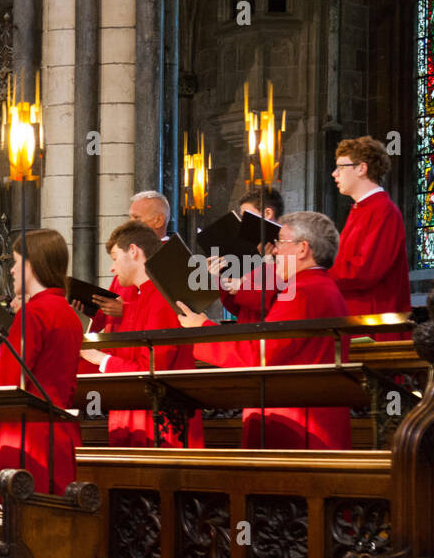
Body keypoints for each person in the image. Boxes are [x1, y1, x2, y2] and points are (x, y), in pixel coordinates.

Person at [177, 211, 351, 450]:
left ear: (302, 249)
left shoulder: (302, 292)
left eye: (281, 242)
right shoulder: (317, 286)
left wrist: (203, 329)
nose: (275, 250)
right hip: (307, 413)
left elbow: (259, 354)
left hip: (297, 419)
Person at [0, 229, 82, 495]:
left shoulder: (33, 314)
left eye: (15, 262)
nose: (11, 270)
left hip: (25, 438)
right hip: (57, 436)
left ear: (31, 265)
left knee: (19, 526)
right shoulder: (67, 312)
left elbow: (7, 389)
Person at [80, 221, 204, 448]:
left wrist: (102, 359)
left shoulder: (161, 298)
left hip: (160, 421)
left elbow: (155, 368)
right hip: (134, 412)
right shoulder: (137, 299)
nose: (112, 268)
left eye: (115, 258)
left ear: (134, 252)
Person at [76, 190, 172, 374]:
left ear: (159, 220)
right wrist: (90, 308)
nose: (129, 223)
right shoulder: (126, 270)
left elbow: (153, 365)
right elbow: (109, 309)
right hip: (120, 356)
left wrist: (126, 310)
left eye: (136, 217)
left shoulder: (170, 263)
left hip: (139, 370)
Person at [328, 136, 411, 337]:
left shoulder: (383, 211)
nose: (334, 174)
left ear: (361, 168)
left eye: (340, 167)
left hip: (374, 323)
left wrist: (318, 272)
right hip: (356, 318)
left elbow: (364, 271)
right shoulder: (361, 209)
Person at [214, 185, 284, 323]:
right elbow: (237, 309)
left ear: (267, 213)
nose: (242, 224)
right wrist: (220, 278)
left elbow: (276, 304)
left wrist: (269, 263)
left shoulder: (289, 250)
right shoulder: (252, 253)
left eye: (245, 216)